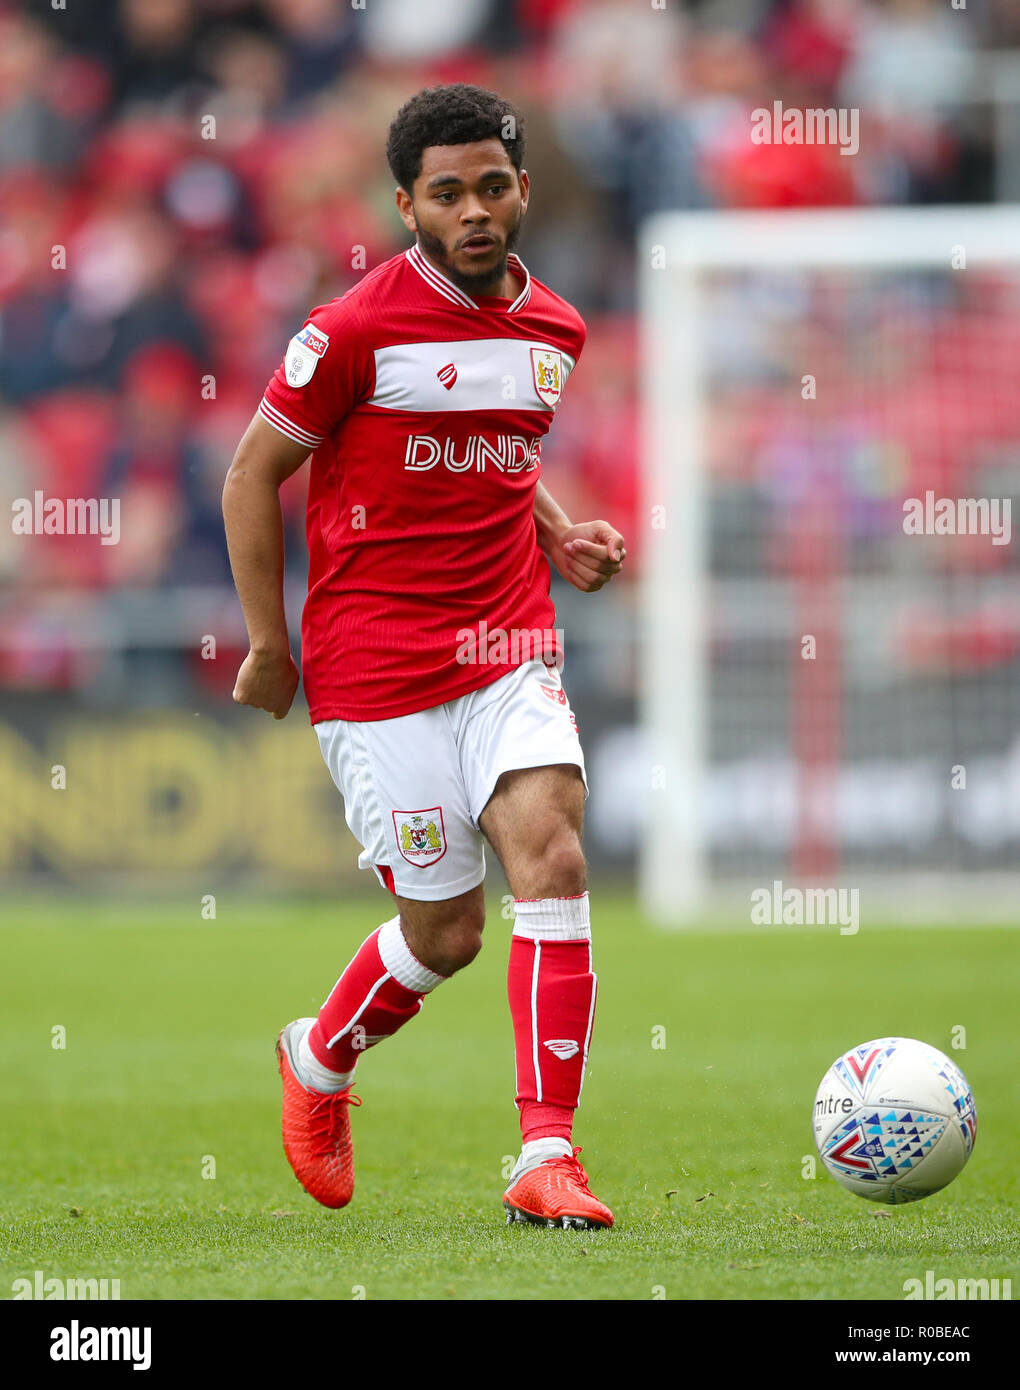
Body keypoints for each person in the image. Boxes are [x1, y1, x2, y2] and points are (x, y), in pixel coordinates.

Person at [222, 84, 625, 1229]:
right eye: (446, 193)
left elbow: (498, 450)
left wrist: (559, 533)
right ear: (406, 205)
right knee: (446, 930)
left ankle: (546, 1151)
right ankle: (318, 1060)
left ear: (523, 190)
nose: (475, 210)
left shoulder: (557, 328)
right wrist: (266, 642)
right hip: (374, 666)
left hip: (509, 642)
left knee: (550, 852)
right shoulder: (350, 330)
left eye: (492, 186)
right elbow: (251, 475)